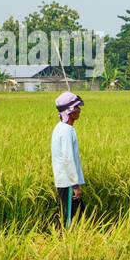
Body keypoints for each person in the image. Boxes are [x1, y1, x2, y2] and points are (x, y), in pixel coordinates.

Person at [52, 91, 85, 227]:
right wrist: (75, 185)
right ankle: (63, 242)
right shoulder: (66, 131)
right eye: (77, 107)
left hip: (66, 181)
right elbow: (68, 159)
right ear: (70, 111)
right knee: (68, 219)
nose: (79, 110)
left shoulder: (62, 128)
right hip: (68, 183)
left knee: (77, 215)